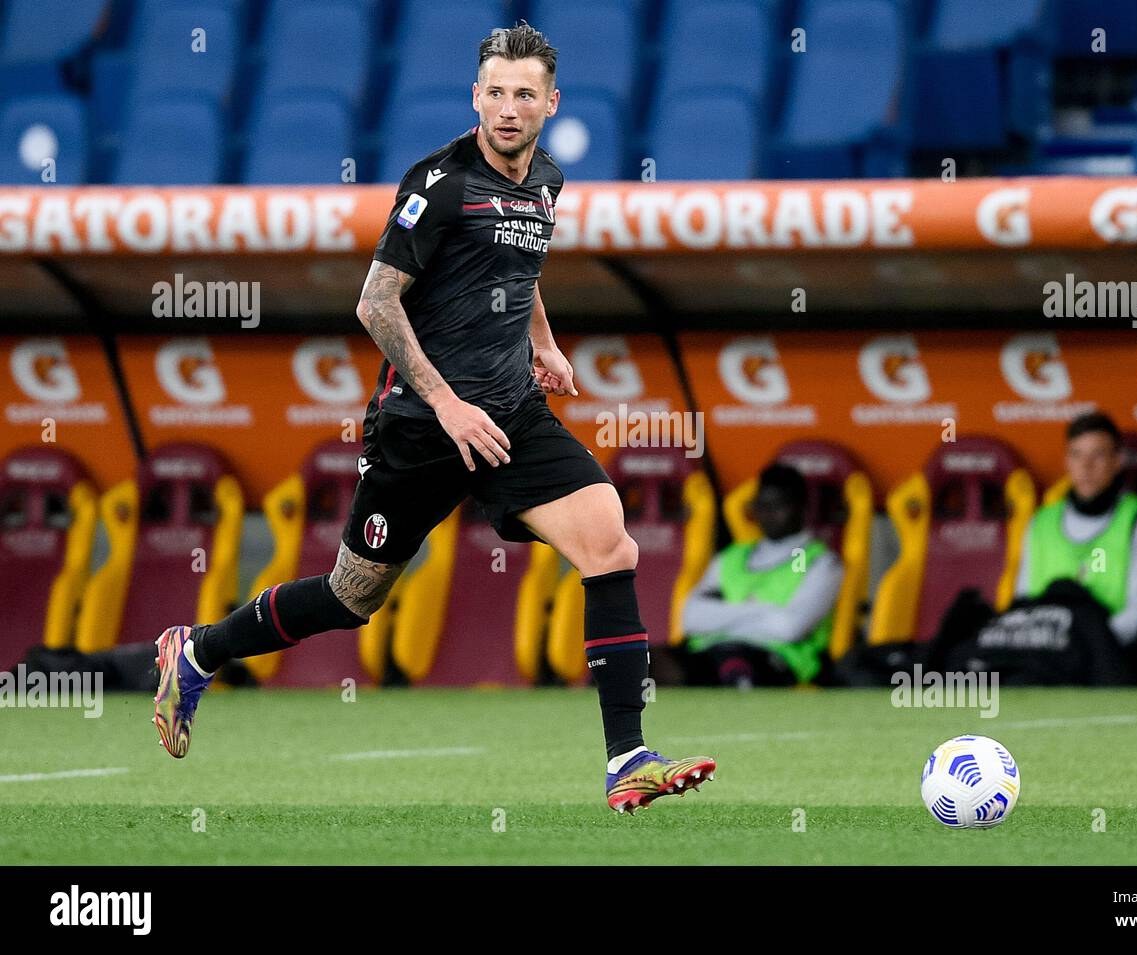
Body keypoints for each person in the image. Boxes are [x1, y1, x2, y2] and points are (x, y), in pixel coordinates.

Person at [151, 23, 714, 816]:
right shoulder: (439, 183)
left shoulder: (546, 180)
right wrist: (447, 403)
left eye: (525, 94)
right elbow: (375, 302)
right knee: (352, 598)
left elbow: (519, 268)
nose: (509, 108)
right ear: (475, 96)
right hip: (421, 424)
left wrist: (544, 343)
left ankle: (627, 758)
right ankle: (199, 650)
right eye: (496, 92)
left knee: (609, 542)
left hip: (512, 414)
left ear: (551, 103)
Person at [681, 464, 844, 687]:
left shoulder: (818, 562)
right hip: (708, 651)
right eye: (762, 505)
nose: (768, 514)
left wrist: (721, 618)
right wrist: (764, 609)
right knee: (647, 661)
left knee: (735, 666)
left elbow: (790, 628)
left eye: (778, 505)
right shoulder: (732, 557)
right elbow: (691, 618)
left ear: (801, 507)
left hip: (777, 660)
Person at [1015, 411, 1137, 646]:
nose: (1086, 466)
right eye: (1077, 455)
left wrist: (1085, 644)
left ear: (1117, 461)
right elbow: (1023, 597)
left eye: (1097, 455)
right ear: (1067, 461)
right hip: (1042, 649)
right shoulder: (1040, 522)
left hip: (1109, 649)